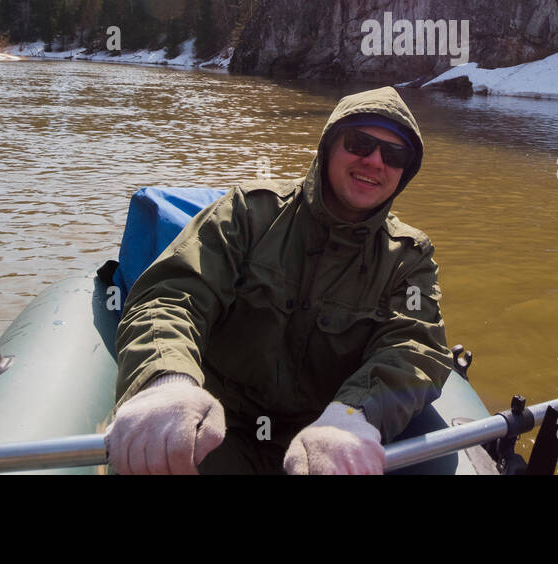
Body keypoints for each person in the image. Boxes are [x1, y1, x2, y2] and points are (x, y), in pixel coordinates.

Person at [106, 86, 452, 474]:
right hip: (220, 425)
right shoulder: (246, 213)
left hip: (325, 434)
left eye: (394, 154)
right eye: (359, 143)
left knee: (438, 458)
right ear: (328, 147)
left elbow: (414, 345)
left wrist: (355, 415)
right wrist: (166, 379)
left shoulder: (409, 257)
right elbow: (173, 295)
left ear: (404, 172)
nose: (374, 161)